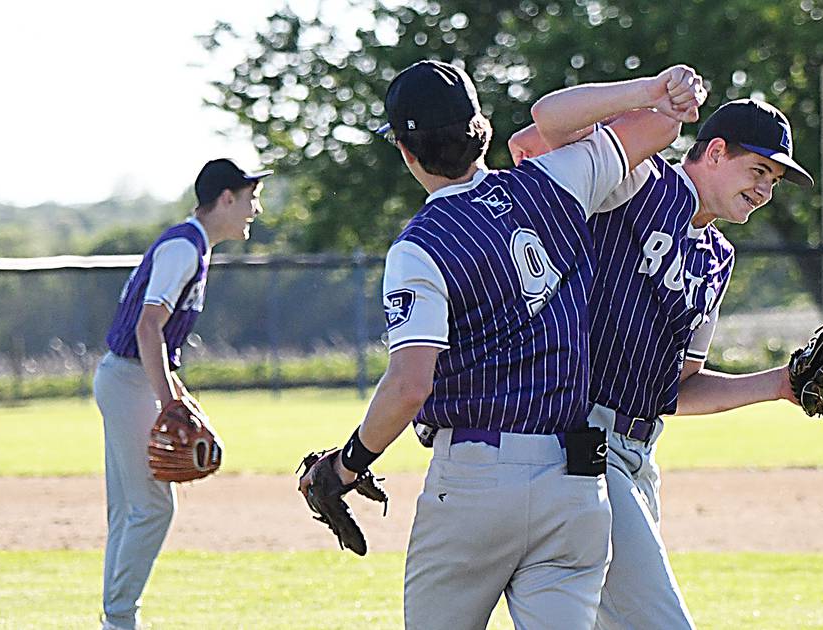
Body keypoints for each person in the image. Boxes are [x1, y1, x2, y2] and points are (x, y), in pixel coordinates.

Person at [299, 60, 704, 630]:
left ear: (405, 150)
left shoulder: (420, 248)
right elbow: (660, 125)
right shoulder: (556, 181)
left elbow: (411, 385)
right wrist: (660, 89)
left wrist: (348, 464)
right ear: (481, 128)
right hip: (574, 485)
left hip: (476, 482)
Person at [511, 96, 815, 629]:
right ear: (715, 152)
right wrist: (651, 92)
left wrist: (780, 384)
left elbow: (680, 388)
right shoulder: (639, 182)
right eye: (759, 170)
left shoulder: (719, 258)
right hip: (579, 440)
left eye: (774, 180)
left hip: (638, 456)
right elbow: (541, 129)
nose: (766, 190)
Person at [94, 158, 270, 630]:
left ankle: (116, 619)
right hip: (129, 376)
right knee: (153, 507)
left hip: (130, 376)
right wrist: (167, 401)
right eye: (250, 197)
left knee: (129, 509)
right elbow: (148, 326)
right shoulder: (184, 247)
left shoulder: (194, 246)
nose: (256, 207)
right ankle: (119, 619)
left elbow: (162, 342)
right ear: (226, 198)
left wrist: (182, 398)